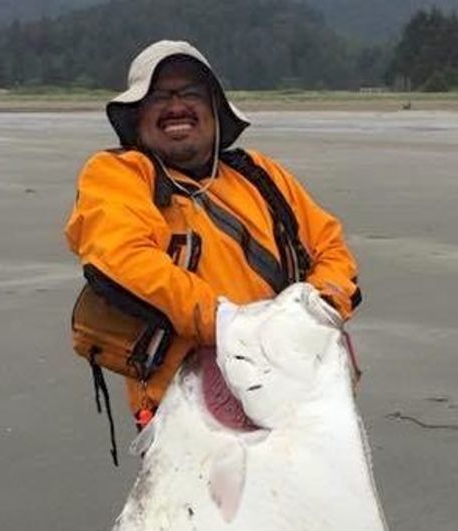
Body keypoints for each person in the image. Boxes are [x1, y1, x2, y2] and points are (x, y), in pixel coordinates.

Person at [65, 40, 361, 429]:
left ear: (215, 108)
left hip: (294, 390)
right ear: (137, 115)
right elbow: (122, 259)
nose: (176, 106)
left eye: (190, 93)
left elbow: (331, 250)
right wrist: (228, 323)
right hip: (189, 411)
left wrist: (314, 311)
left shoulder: (261, 173)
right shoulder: (118, 175)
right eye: (158, 96)